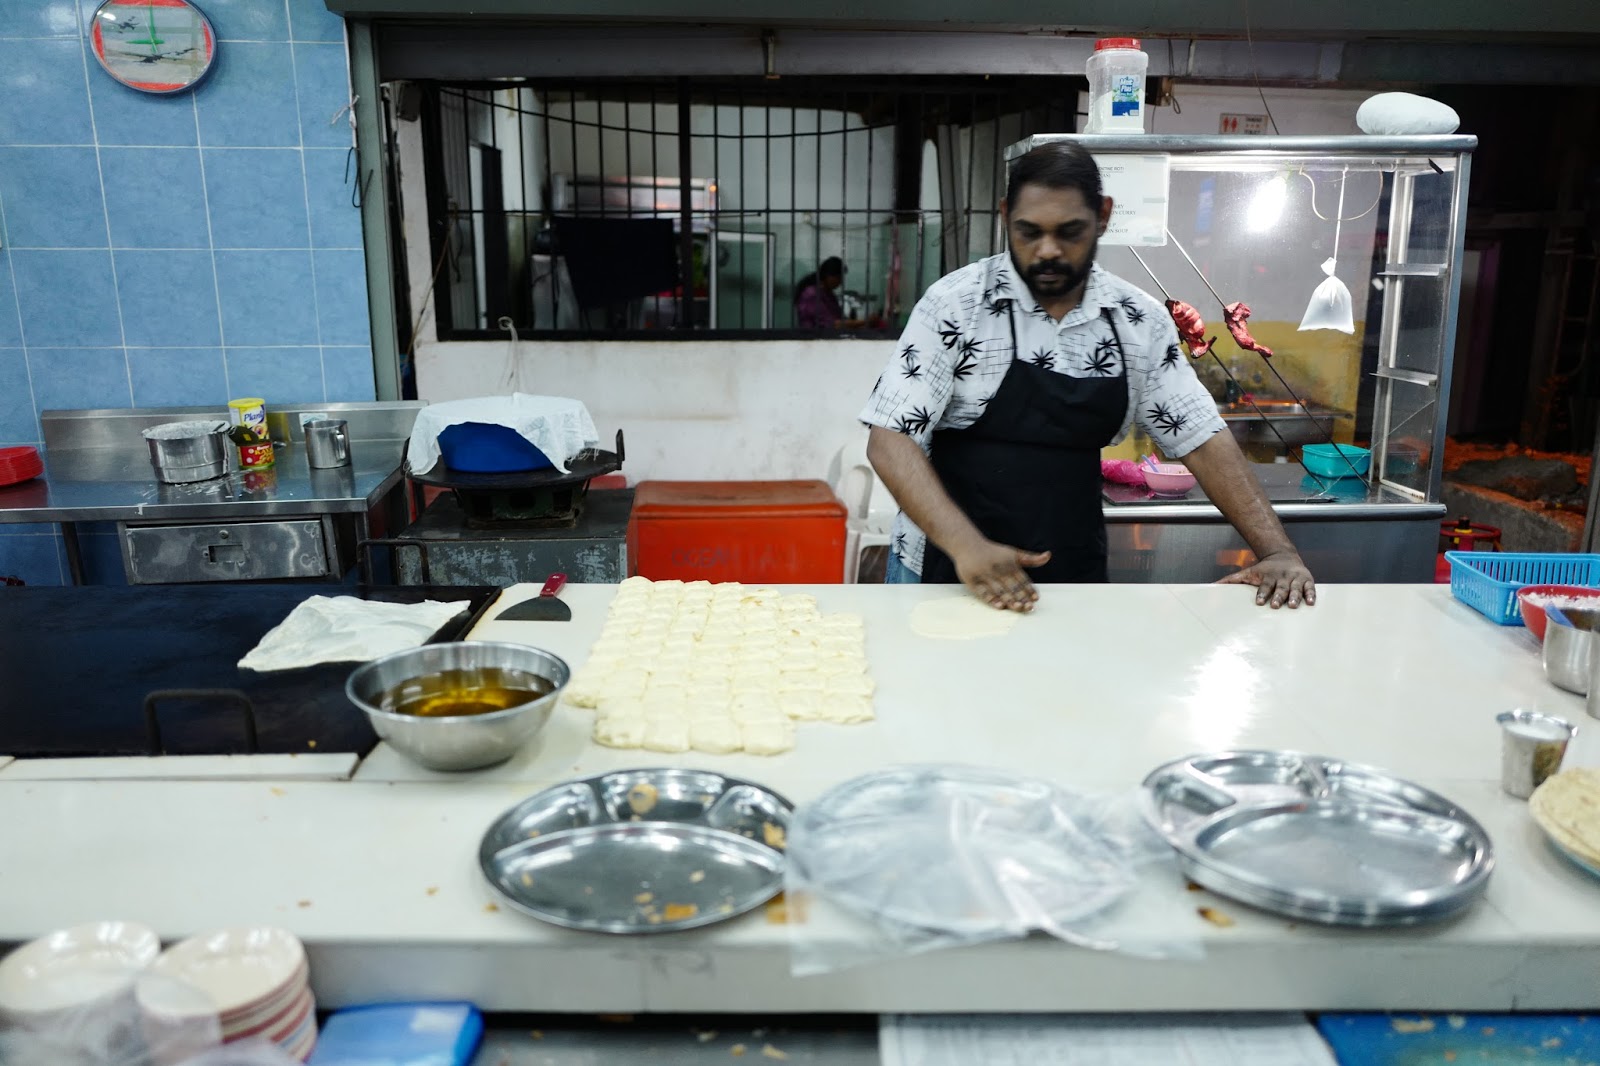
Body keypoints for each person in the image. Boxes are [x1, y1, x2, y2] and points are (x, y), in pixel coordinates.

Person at [859, 141, 1316, 612]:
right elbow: (890, 438)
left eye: (1069, 232)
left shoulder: (1136, 321)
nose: (1048, 251)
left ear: (1103, 215)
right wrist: (965, 545)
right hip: (945, 570)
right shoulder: (957, 305)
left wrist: (1277, 550)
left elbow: (1200, 438)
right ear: (1004, 215)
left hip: (1071, 582)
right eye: (1028, 232)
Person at [795, 257, 865, 330]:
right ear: (829, 275)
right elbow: (834, 324)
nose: (840, 282)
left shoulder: (827, 293)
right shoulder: (812, 294)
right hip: (813, 339)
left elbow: (840, 319)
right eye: (839, 278)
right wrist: (864, 322)